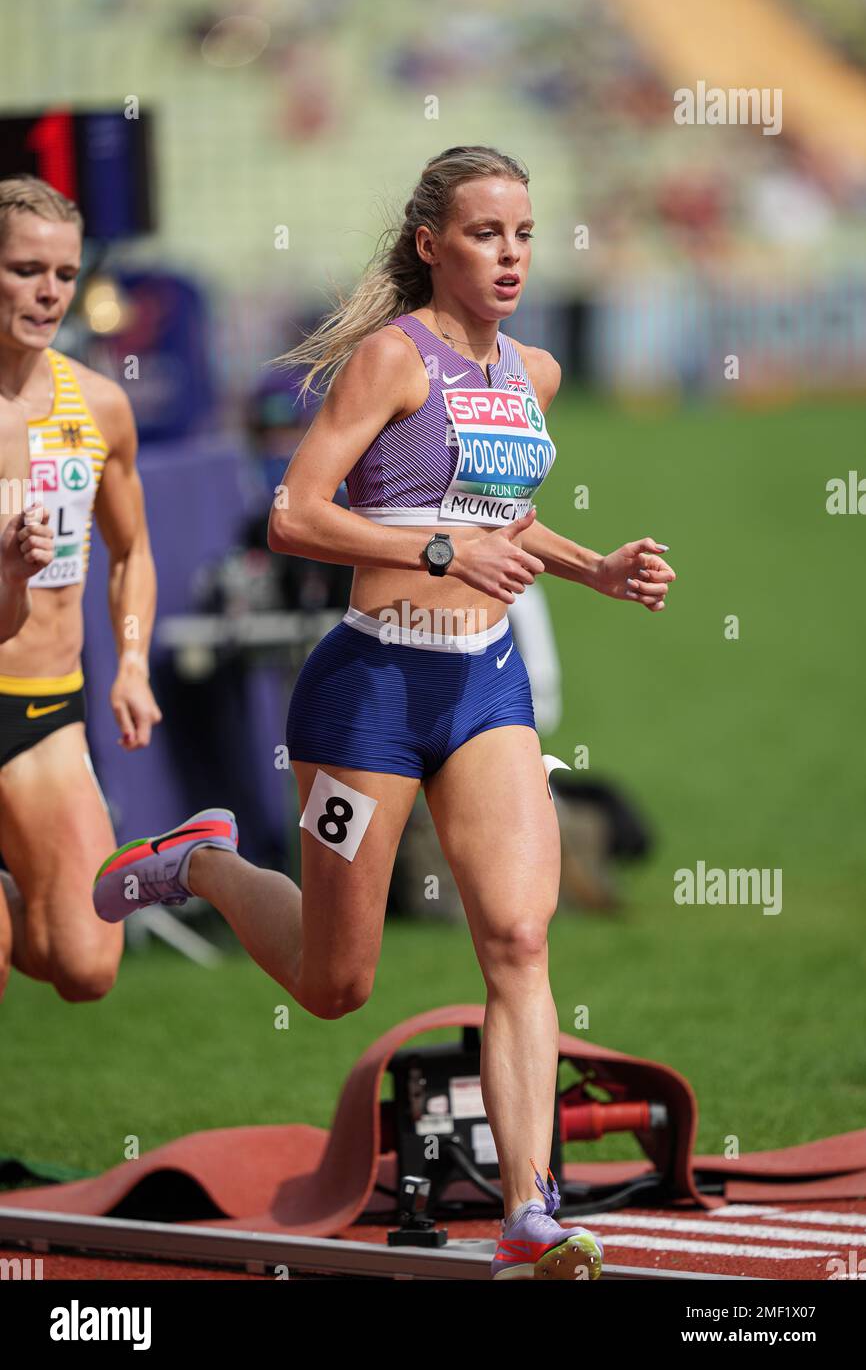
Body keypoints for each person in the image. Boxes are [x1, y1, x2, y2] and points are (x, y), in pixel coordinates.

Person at [94, 146, 676, 1279]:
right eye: (482, 234)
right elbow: (296, 515)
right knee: (332, 983)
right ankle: (206, 860)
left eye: (521, 234)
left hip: (484, 686)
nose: (507, 255)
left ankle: (526, 1208)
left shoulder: (535, 372)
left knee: (514, 937)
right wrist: (437, 544)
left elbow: (502, 512)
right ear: (430, 244)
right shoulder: (386, 361)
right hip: (367, 691)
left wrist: (590, 565)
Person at [0, 174, 161, 1005]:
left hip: (41, 709)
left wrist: (130, 665)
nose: (49, 291)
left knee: (87, 965)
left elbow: (132, 554)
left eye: (64, 274)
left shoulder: (99, 405)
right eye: (26, 269)